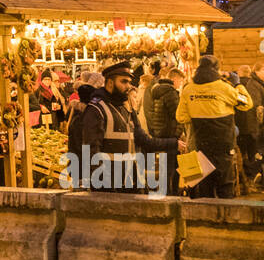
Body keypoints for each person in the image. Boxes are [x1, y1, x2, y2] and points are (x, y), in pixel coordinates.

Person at [70, 61, 182, 193]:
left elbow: (144, 140)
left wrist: (174, 143)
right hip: (110, 187)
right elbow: (91, 152)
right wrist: (104, 187)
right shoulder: (96, 110)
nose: (128, 86)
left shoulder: (126, 110)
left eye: (129, 82)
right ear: (110, 83)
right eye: (123, 82)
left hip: (130, 184)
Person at [176, 55, 252, 198]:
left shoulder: (188, 89)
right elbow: (247, 103)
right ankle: (225, 218)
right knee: (226, 185)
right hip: (224, 145)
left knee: (205, 186)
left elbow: (181, 117)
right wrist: (238, 84)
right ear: (216, 69)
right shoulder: (224, 88)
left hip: (201, 144)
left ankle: (205, 218)